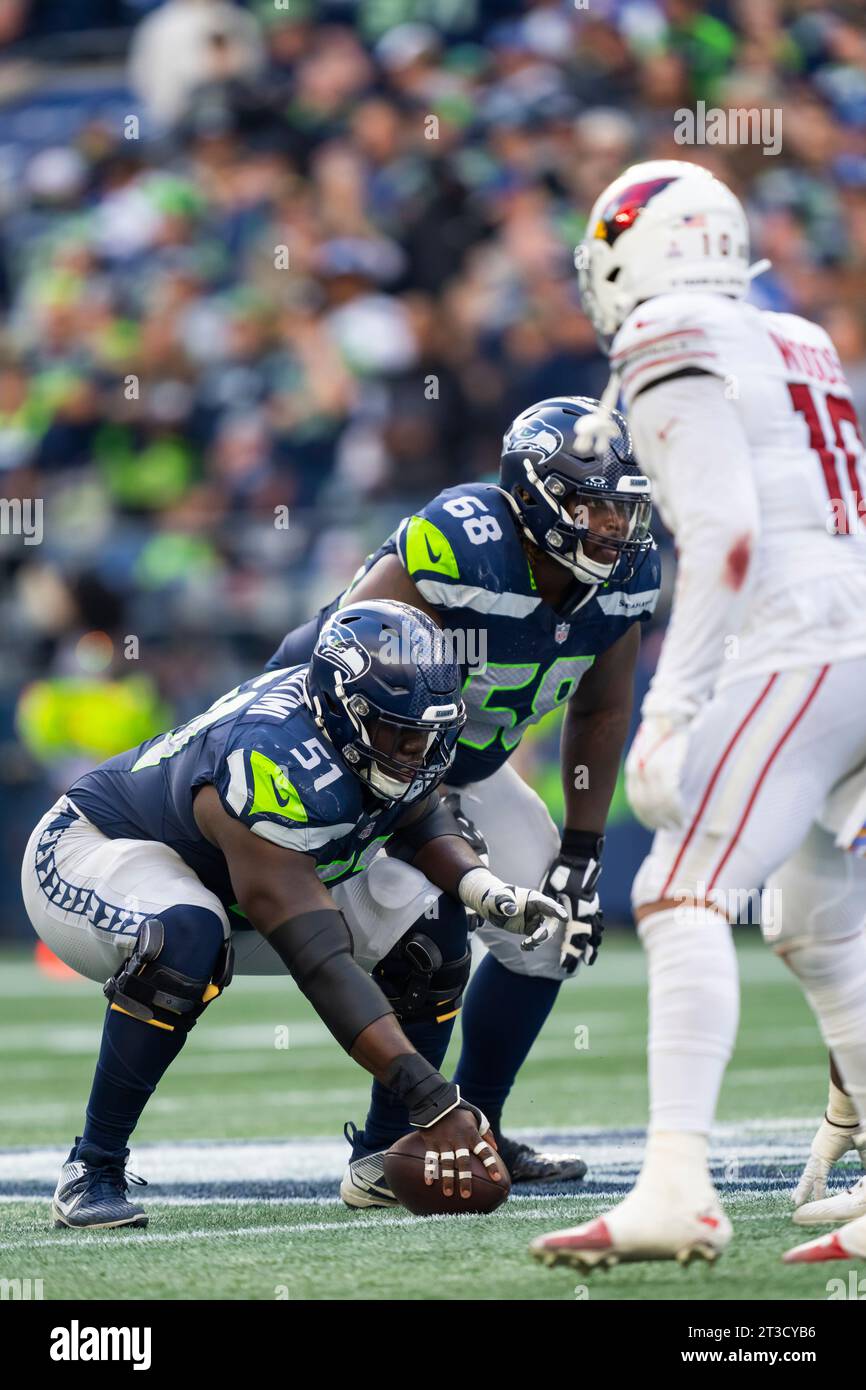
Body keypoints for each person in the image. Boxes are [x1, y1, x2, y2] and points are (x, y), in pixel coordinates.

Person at [531, 159, 866, 1270]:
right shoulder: (797, 334)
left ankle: (676, 1187)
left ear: (636, 250)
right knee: (812, 920)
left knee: (677, 889)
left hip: (808, 649)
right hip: (848, 635)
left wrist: (669, 709)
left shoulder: (667, 331)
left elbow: (723, 535)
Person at [22, 599, 567, 1228]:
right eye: (401, 735)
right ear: (345, 712)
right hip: (93, 848)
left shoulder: (381, 725)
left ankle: (383, 1155)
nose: (416, 753)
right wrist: (435, 1097)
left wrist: (478, 885)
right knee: (185, 938)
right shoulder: (270, 761)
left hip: (237, 884)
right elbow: (322, 962)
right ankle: (92, 1167)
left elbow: (421, 813)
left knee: (432, 933)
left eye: (428, 735)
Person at [266, 394, 659, 1200]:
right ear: (533, 493)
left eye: (623, 509)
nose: (612, 528)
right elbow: (350, 660)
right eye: (591, 504)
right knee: (425, 928)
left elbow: (603, 705)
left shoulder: (627, 579)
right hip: (351, 752)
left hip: (463, 765)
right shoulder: (464, 541)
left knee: (552, 925)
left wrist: (583, 851)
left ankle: (476, 1121)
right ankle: (386, 1149)